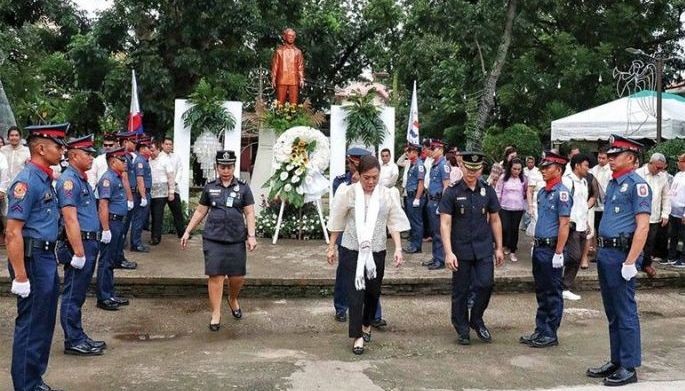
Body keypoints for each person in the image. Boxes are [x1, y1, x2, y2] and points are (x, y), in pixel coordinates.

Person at [327, 155, 410, 354]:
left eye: (374, 177)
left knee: (373, 293)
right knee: (355, 294)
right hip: (351, 249)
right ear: (359, 175)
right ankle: (357, 336)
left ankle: (366, 324)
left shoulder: (387, 195)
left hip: (377, 250)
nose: (371, 182)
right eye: (366, 177)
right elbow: (338, 220)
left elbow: (394, 222)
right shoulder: (348, 193)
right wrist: (331, 247)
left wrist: (398, 248)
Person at [586, 135, 651, 386]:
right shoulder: (614, 183)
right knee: (612, 312)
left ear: (632, 159)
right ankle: (617, 359)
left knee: (625, 312)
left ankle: (629, 365)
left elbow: (643, 227)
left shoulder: (637, 185)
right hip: (606, 254)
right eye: (609, 155)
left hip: (623, 255)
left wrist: (631, 262)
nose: (611, 159)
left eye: (617, 155)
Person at [6, 123, 67, 391]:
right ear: (41, 148)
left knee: (43, 322)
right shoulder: (26, 181)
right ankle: (25, 385)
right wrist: (20, 275)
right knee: (31, 323)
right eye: (58, 146)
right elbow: (12, 232)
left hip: (45, 256)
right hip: (31, 260)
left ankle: (34, 379)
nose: (62, 151)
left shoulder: (45, 179)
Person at [181, 150, 257, 331]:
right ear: (217, 167)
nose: (226, 170)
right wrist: (187, 231)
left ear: (233, 167)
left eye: (229, 167)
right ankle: (216, 313)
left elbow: (249, 212)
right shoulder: (209, 187)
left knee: (237, 277)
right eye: (222, 167)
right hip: (213, 238)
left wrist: (251, 235)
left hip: (236, 238)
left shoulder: (243, 187)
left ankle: (232, 298)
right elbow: (200, 211)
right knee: (216, 276)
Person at [439, 152, 504, 345]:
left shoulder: (487, 190)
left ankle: (476, 318)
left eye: (475, 169)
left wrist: (499, 247)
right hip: (461, 249)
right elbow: (445, 224)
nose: (471, 173)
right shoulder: (452, 191)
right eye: (468, 168)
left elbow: (495, 219)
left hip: (483, 247)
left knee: (486, 284)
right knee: (461, 290)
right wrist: (448, 252)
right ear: (462, 166)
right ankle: (462, 328)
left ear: (481, 169)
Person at [56, 135, 107, 356]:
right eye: (88, 154)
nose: (91, 158)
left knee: (79, 292)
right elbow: (70, 218)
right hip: (81, 244)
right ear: (74, 156)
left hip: (89, 242)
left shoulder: (81, 179)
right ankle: (73, 340)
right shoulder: (69, 181)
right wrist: (77, 251)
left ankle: (78, 335)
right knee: (73, 293)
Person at [520, 151, 572, 348]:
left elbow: (564, 224)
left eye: (547, 167)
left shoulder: (562, 193)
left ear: (558, 170)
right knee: (541, 291)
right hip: (541, 246)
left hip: (552, 249)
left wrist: (559, 252)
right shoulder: (542, 192)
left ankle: (550, 332)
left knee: (552, 292)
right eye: (542, 167)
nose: (543, 170)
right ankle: (540, 329)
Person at [95, 147, 132, 311]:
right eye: (121, 160)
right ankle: (103, 297)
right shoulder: (107, 179)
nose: (125, 162)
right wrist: (105, 229)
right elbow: (103, 205)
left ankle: (110, 294)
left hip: (118, 222)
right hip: (111, 222)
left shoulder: (116, 177)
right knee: (106, 261)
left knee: (111, 261)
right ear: (112, 162)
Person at [561, 153, 591, 301]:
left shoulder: (584, 182)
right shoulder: (567, 181)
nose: (588, 168)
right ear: (577, 165)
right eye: (585, 165)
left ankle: (566, 285)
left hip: (581, 223)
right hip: (571, 223)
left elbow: (583, 204)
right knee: (573, 255)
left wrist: (586, 223)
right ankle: (560, 282)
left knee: (577, 258)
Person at [635, 153, 670, 277]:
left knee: (650, 242)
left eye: (662, 168)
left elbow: (666, 196)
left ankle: (646, 264)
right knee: (634, 240)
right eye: (657, 167)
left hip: (654, 216)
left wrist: (665, 214)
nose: (660, 170)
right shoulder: (638, 174)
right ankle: (632, 263)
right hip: (637, 216)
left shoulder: (663, 177)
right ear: (650, 163)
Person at [424, 139, 451, 270]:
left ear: (440, 150)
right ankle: (436, 256)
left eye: (434, 149)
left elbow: (446, 186)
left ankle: (440, 259)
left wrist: (442, 205)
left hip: (438, 201)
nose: (431, 151)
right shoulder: (434, 164)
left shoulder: (443, 165)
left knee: (439, 233)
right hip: (431, 201)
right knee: (434, 232)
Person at [495, 158, 527, 262]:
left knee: (514, 230)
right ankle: (504, 245)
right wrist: (496, 206)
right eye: (514, 169)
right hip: (504, 207)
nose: (516, 171)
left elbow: (526, 192)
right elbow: (498, 191)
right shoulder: (503, 178)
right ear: (510, 168)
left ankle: (513, 250)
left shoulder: (523, 179)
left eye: (519, 169)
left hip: (518, 208)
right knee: (505, 228)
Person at [149, 141, 175, 245]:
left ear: (159, 149)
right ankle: (153, 235)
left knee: (158, 214)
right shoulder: (149, 160)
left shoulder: (165, 160)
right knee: (152, 214)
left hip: (161, 193)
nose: (151, 152)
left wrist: (171, 192)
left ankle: (156, 237)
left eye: (153, 150)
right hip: (151, 192)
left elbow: (171, 177)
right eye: (150, 150)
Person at [129, 136, 152, 252]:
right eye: (148, 147)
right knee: (139, 219)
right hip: (141, 193)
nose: (150, 149)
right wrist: (143, 197)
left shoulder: (143, 160)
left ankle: (136, 242)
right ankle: (136, 244)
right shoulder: (140, 161)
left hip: (144, 192)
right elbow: (140, 179)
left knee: (140, 219)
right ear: (142, 148)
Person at [271, 28, 304, 105]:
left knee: (294, 104)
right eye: (289, 36)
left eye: (293, 36)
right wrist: (273, 78)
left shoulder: (298, 52)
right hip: (282, 79)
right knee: (280, 104)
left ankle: (294, 116)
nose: (291, 38)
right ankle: (278, 117)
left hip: (294, 80)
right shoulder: (279, 51)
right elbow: (275, 66)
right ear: (285, 37)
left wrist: (301, 78)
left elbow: (300, 66)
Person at [402, 143, 425, 254]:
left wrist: (417, 198)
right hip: (410, 195)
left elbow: (421, 182)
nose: (407, 153)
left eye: (409, 151)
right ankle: (413, 244)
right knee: (412, 221)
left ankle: (417, 246)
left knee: (416, 222)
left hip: (415, 195)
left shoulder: (419, 165)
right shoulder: (412, 164)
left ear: (415, 153)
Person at [160, 137, 185, 238]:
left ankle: (182, 233)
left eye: (170, 144)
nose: (169, 146)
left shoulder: (176, 157)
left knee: (177, 212)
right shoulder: (158, 156)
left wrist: (175, 182)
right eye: (166, 144)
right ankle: (156, 235)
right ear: (162, 145)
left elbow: (180, 169)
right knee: (158, 212)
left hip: (173, 188)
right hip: (161, 189)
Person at [666, 153, 685, 267]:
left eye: (680, 161)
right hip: (673, 211)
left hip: (683, 212)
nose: (678, 163)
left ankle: (683, 258)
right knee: (673, 234)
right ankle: (671, 255)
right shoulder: (678, 174)